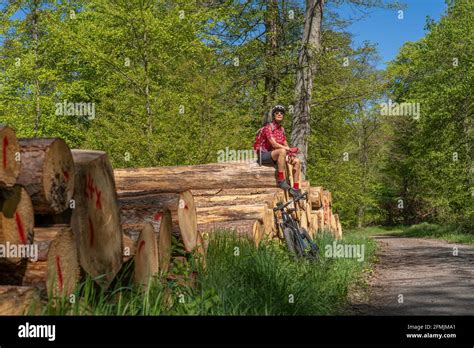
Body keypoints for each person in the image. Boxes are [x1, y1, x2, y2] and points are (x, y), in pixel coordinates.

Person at [254, 105, 302, 197]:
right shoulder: (269, 127)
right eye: (277, 113)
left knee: (297, 161)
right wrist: (288, 149)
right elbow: (274, 144)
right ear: (273, 115)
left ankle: (295, 189)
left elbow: (285, 143)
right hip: (263, 155)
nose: (279, 114)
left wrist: (291, 152)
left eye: (281, 113)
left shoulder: (282, 129)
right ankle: (281, 180)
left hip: (277, 155)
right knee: (282, 151)